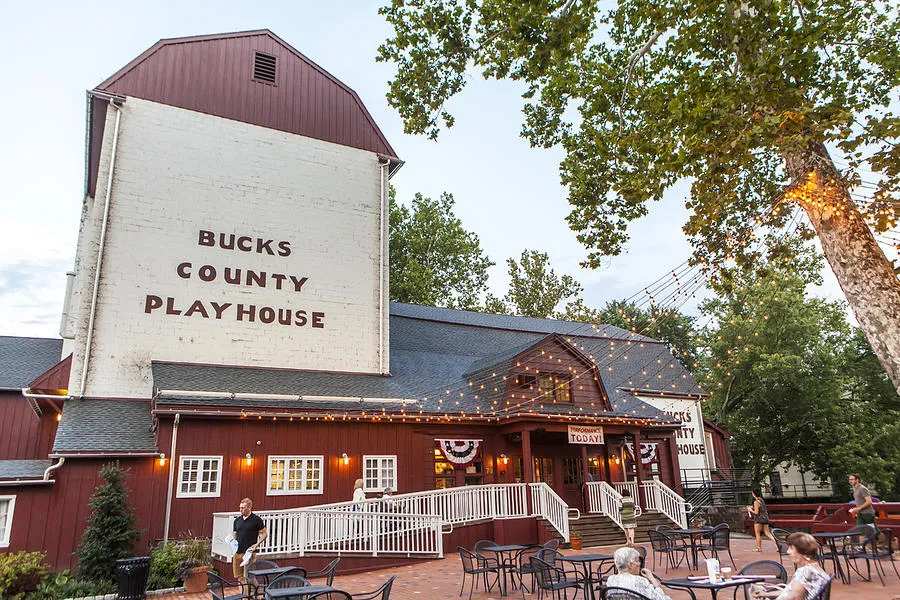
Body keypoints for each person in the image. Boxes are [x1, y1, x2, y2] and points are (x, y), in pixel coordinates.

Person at [751, 532, 829, 599]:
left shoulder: (806, 572)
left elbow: (794, 597)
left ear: (803, 552)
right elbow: (791, 591)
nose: (788, 551)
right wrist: (766, 594)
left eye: (791, 548)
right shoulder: (813, 567)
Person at [606, 546, 672, 600]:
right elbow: (661, 598)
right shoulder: (639, 581)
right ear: (630, 565)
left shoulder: (611, 580)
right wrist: (653, 580)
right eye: (637, 561)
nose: (639, 563)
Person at [232, 497, 267, 584]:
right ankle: (252, 593)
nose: (240, 510)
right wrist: (233, 542)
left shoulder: (256, 520)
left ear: (249, 507)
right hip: (237, 552)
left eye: (243, 508)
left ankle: (246, 596)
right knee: (240, 577)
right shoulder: (237, 520)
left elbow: (264, 533)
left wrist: (257, 544)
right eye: (240, 507)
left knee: (248, 577)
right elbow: (235, 533)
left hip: (249, 553)